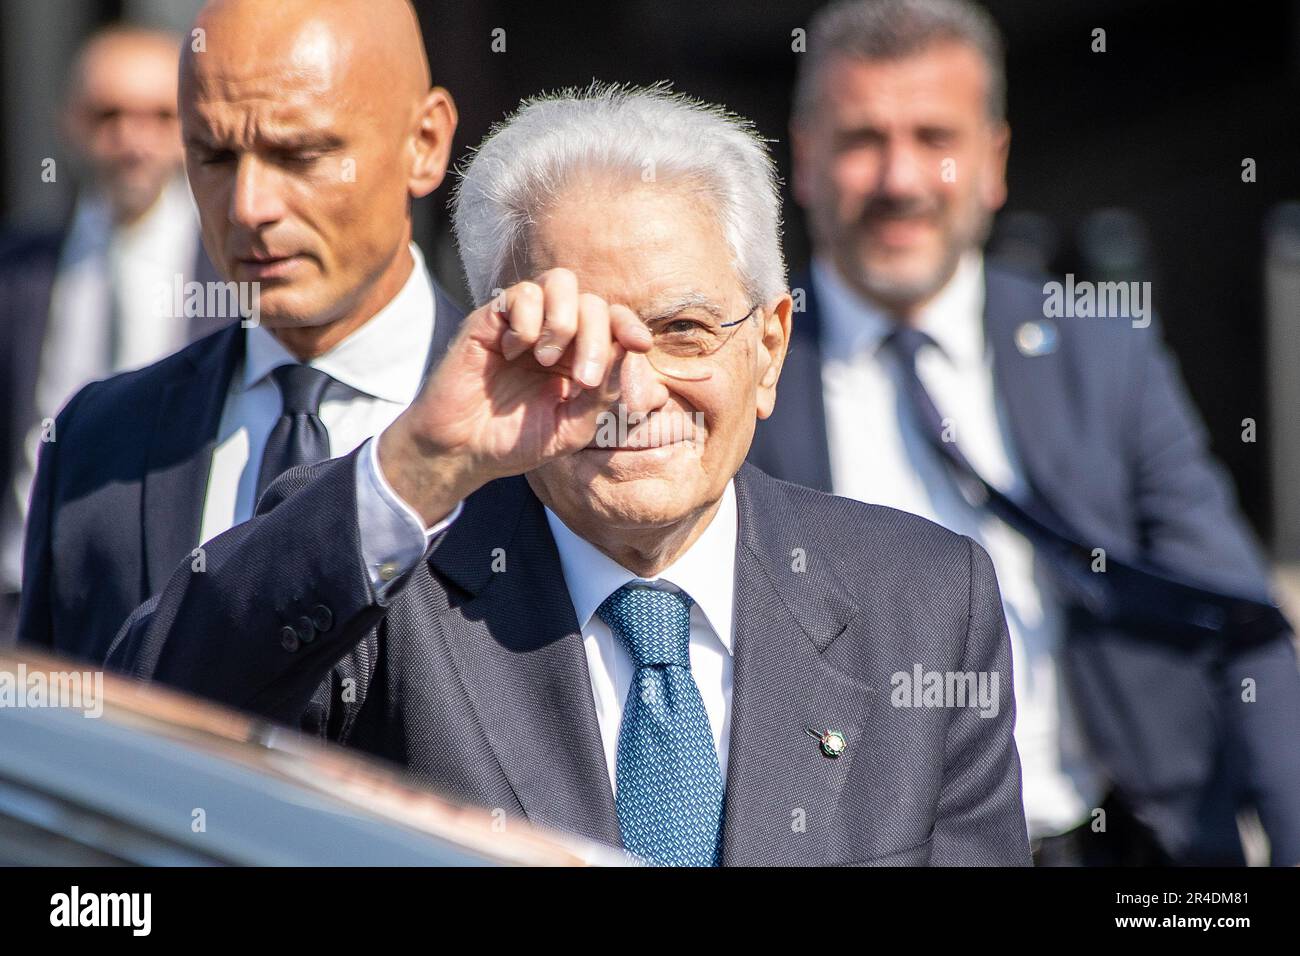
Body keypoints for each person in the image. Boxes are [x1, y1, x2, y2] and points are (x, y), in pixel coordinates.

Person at [109, 84, 1030, 867]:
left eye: (682, 331)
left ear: (771, 345)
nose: (630, 389)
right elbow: (147, 726)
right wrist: (425, 462)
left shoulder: (925, 603)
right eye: (573, 344)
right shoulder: (389, 589)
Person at [749, 0, 1300, 865]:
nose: (899, 180)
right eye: (863, 141)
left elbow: (1237, 618)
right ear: (807, 159)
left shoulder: (1098, 348)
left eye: (935, 138)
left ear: (992, 161)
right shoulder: (737, 370)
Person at [17, 0, 464, 662]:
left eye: (299, 154)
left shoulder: (538, 437)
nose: (249, 207)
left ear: (424, 143)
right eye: (215, 156)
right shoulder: (97, 445)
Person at [0, 26, 224, 641]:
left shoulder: (237, 274)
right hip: (23, 604)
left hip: (177, 610)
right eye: (108, 115)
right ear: (69, 121)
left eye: (158, 116)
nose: (132, 140)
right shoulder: (19, 273)